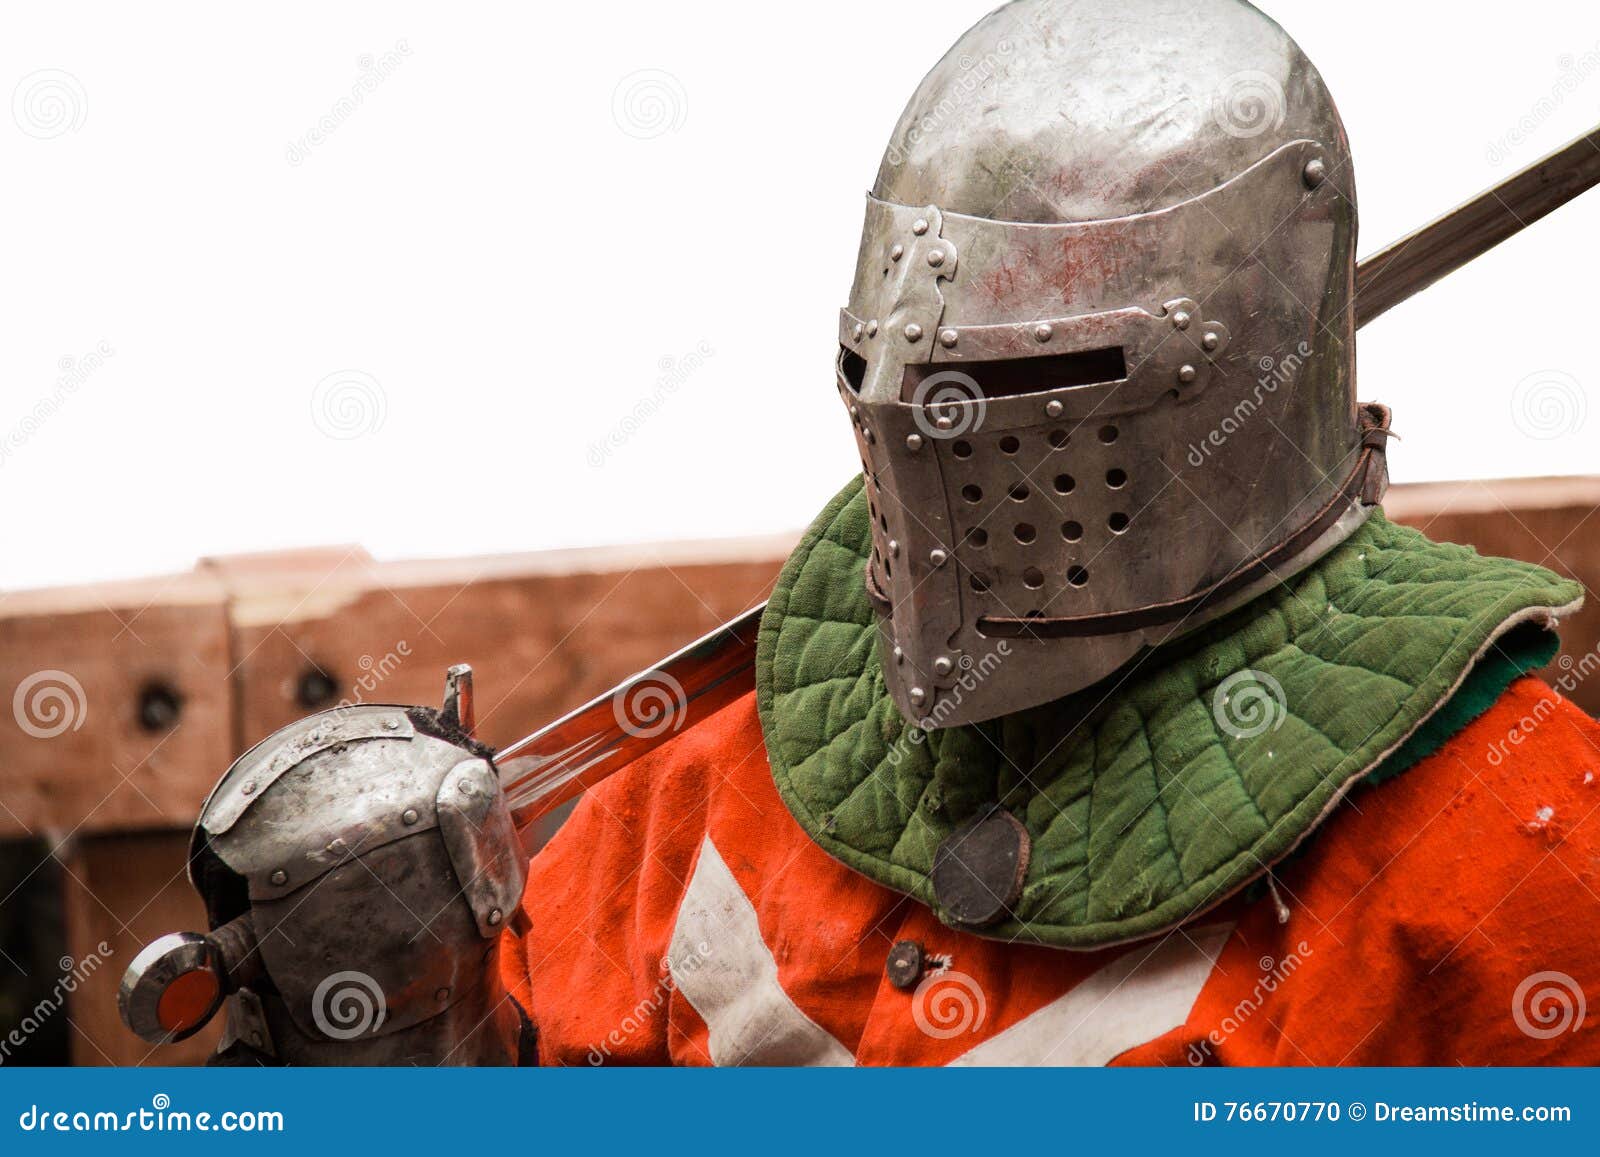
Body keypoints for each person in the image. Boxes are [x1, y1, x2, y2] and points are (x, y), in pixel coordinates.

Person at [501, 0, 1600, 1065]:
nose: (930, 439)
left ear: (1228, 376)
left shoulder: (1503, 835)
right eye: (888, 378)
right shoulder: (711, 774)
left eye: (1041, 375)